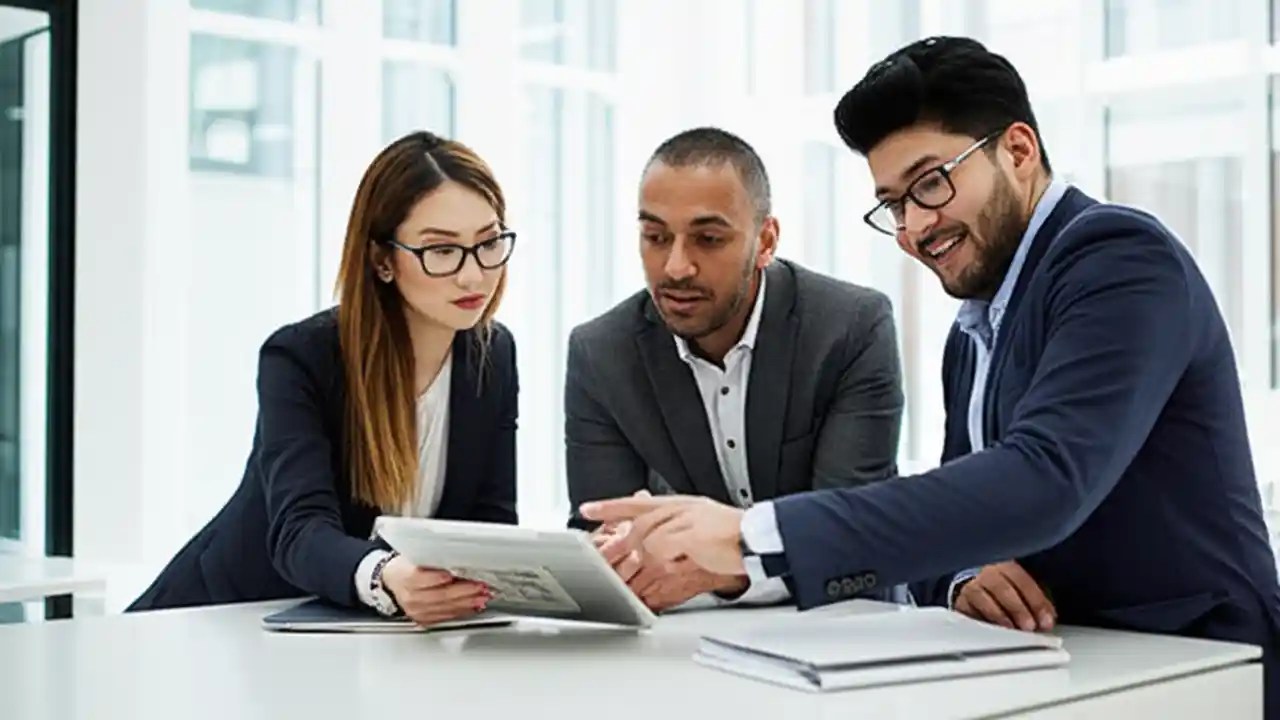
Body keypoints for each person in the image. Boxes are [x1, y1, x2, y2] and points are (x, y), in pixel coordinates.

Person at [580, 37, 1280, 714]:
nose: (915, 227)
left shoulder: (1119, 258)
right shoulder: (973, 332)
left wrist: (750, 537)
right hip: (1064, 669)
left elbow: (1047, 478)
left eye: (931, 184)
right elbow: (950, 525)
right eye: (894, 204)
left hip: (1205, 667)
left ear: (1018, 151)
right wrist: (965, 577)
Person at [128, 131, 520, 627]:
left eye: (488, 242)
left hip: (363, 637)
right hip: (224, 619)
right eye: (441, 251)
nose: (473, 275)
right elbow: (299, 532)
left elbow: (490, 523)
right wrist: (385, 577)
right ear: (382, 260)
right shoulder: (301, 357)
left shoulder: (491, 355)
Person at [566, 127, 904, 612]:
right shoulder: (602, 353)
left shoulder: (849, 328)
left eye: (708, 239)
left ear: (765, 241)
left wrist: (730, 569)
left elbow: (850, 534)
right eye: (655, 237)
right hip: (686, 637)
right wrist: (615, 555)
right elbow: (601, 532)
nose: (676, 267)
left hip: (841, 626)